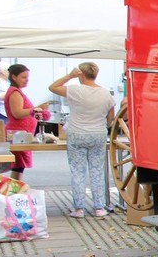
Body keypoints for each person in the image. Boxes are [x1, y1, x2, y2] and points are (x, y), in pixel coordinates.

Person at [49, 63, 116, 218]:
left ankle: (79, 208)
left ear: (81, 74)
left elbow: (52, 87)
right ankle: (99, 207)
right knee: (97, 170)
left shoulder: (75, 90)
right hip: (98, 133)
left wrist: (69, 76)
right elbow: (110, 118)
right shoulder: (106, 94)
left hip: (77, 133)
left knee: (78, 171)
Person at [4, 64, 51, 180]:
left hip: (22, 134)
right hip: (18, 135)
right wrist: (35, 109)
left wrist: (37, 109)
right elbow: (17, 113)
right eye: (23, 77)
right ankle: (13, 192)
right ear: (14, 77)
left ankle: (14, 191)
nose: (27, 80)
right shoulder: (15, 92)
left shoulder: (17, 91)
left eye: (27, 78)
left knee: (19, 167)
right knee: (18, 166)